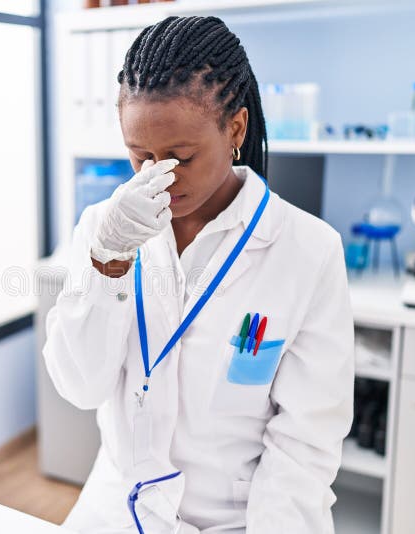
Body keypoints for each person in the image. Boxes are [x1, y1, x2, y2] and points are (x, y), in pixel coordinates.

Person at [43, 15, 354, 534]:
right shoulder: (103, 228)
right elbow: (81, 385)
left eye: (180, 157)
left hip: (235, 521)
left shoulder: (308, 250)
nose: (158, 177)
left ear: (235, 128)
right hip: (116, 509)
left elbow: (303, 444)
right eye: (139, 156)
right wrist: (109, 262)